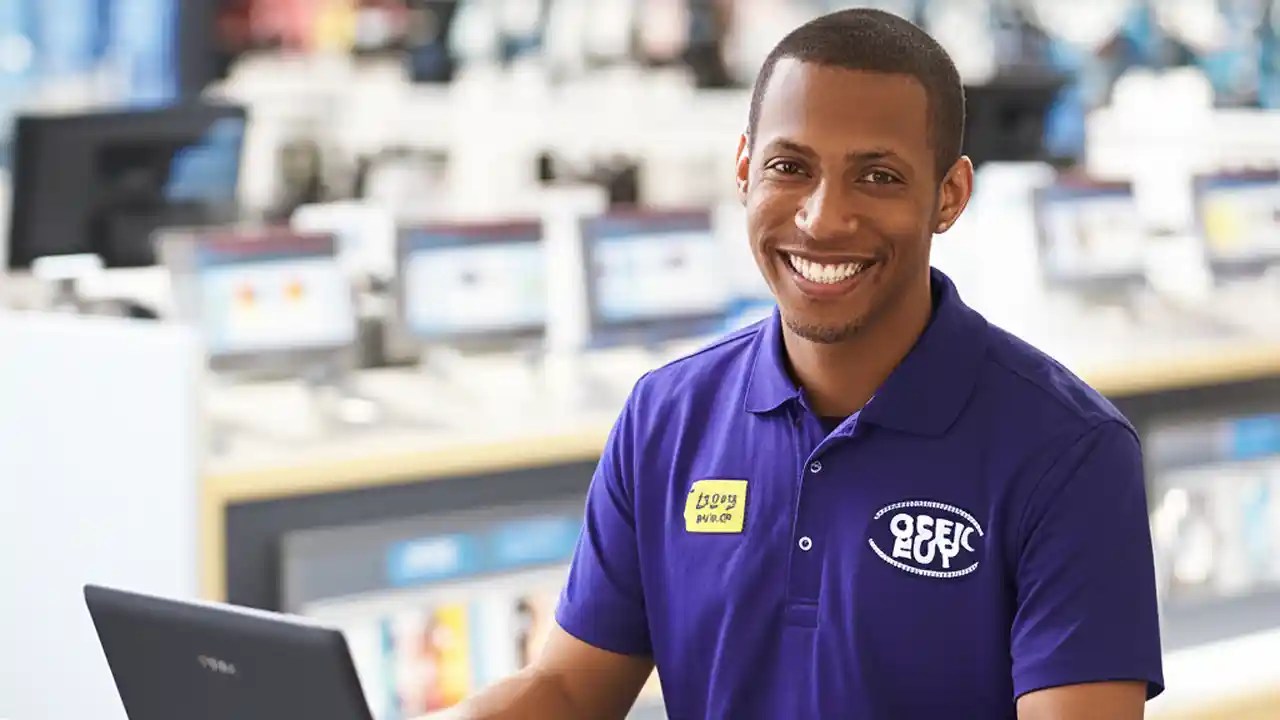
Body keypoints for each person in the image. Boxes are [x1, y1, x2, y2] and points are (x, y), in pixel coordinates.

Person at [443, 8, 1163, 719]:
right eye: (791, 167)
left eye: (877, 177)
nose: (822, 219)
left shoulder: (1069, 451)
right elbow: (570, 689)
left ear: (949, 196)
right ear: (744, 169)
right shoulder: (666, 417)